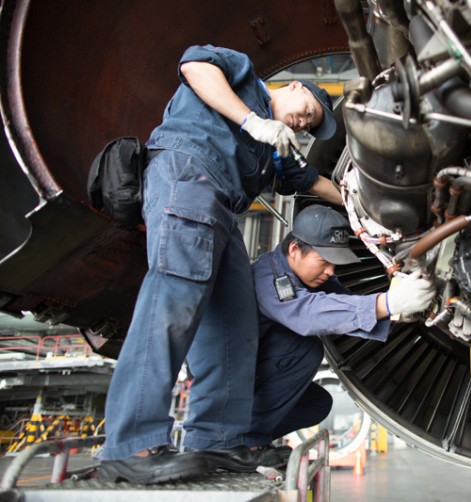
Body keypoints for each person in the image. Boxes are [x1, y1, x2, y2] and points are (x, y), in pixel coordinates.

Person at [97, 45, 342, 484]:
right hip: (188, 177)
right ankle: (131, 443)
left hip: (224, 211)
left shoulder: (275, 151)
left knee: (235, 327)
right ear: (296, 87)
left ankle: (217, 439)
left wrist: (364, 211)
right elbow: (193, 66)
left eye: (310, 126)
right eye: (308, 112)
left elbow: (311, 181)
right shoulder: (242, 75)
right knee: (173, 304)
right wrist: (253, 121)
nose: (304, 124)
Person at [249, 205, 436, 446]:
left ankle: (253, 437)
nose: (330, 271)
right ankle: (245, 442)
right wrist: (389, 303)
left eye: (334, 264)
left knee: (316, 405)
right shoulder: (269, 277)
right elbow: (309, 313)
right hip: (237, 380)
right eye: (324, 261)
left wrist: (400, 313)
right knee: (305, 350)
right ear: (295, 249)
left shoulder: (310, 277)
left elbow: (345, 304)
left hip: (259, 374)